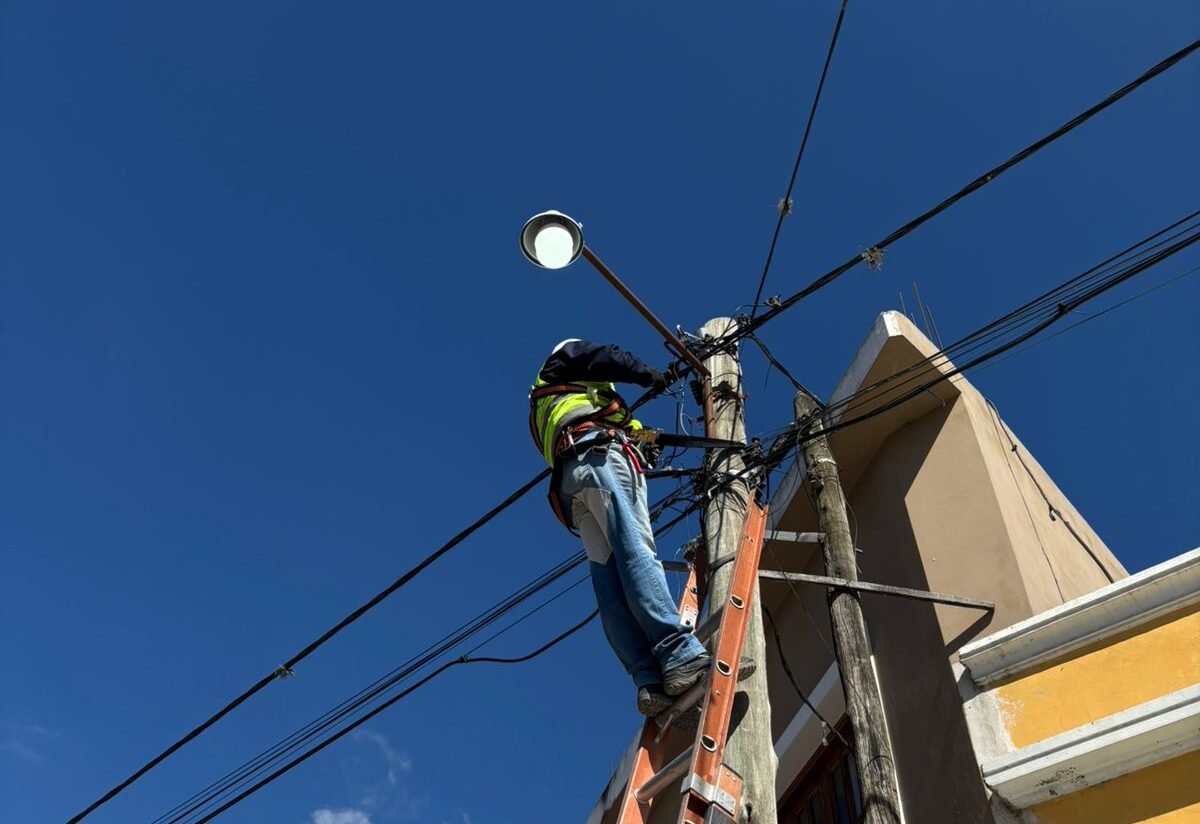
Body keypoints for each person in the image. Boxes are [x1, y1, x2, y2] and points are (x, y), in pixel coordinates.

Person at [529, 339, 751, 718]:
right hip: (598, 457)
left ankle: (648, 681)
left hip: (572, 484)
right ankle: (679, 655)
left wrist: (646, 439)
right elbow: (609, 357)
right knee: (636, 552)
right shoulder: (565, 358)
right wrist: (652, 375)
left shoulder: (551, 402)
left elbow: (630, 427)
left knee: (609, 579)